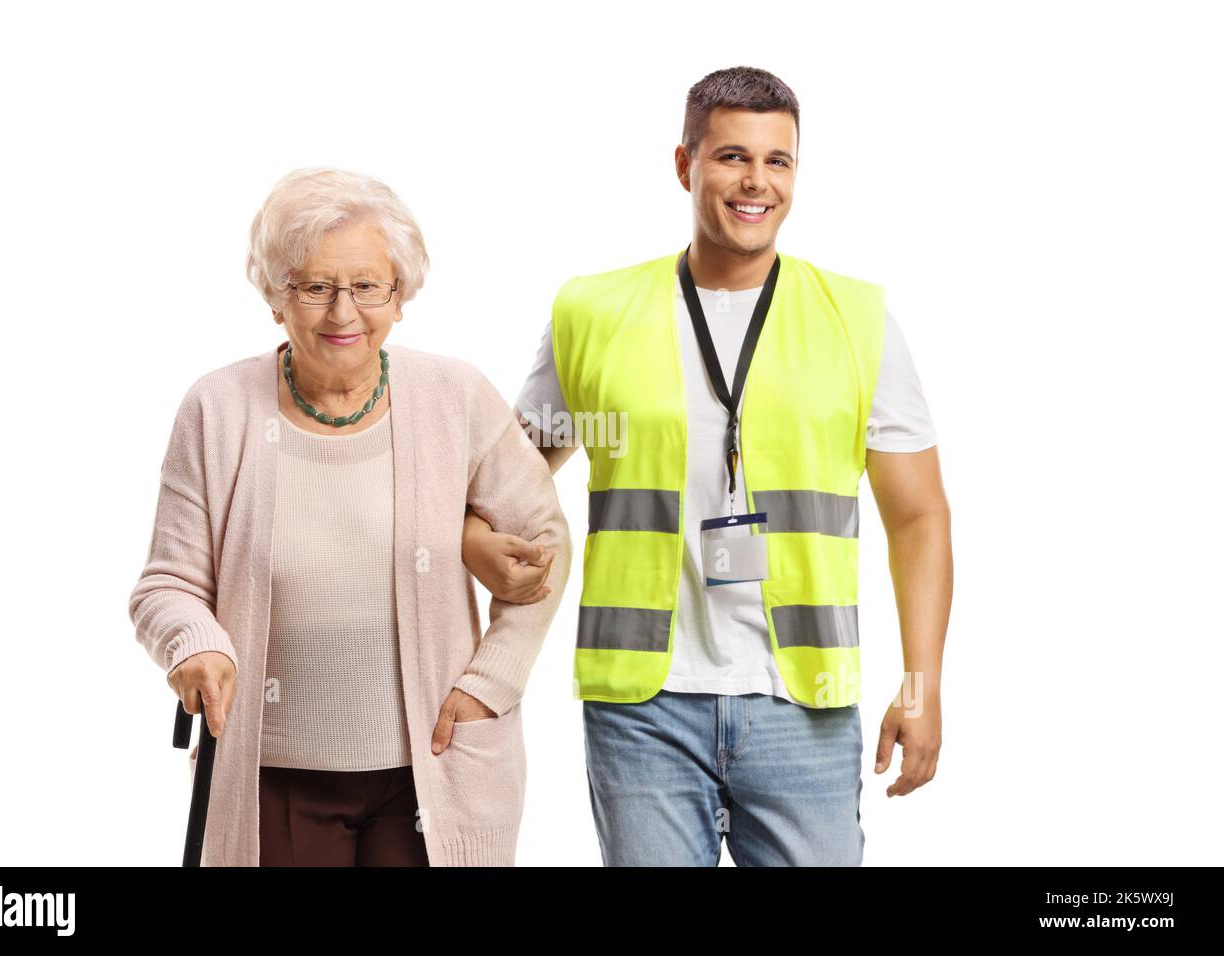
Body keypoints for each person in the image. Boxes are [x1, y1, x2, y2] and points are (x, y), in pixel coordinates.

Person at [462, 66, 952, 866]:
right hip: (642, 708)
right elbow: (504, 475)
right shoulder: (593, 313)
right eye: (731, 157)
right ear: (686, 164)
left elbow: (920, 516)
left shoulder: (859, 320)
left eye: (778, 160)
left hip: (804, 704)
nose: (756, 181)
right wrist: (473, 539)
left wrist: (922, 684)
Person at [128, 166, 570, 866]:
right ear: (277, 296)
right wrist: (196, 642)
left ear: (400, 295)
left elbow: (543, 536)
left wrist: (492, 684)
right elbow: (166, 586)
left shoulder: (454, 396)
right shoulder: (217, 409)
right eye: (314, 287)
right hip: (273, 778)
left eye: (367, 286)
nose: (343, 313)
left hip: (432, 772)